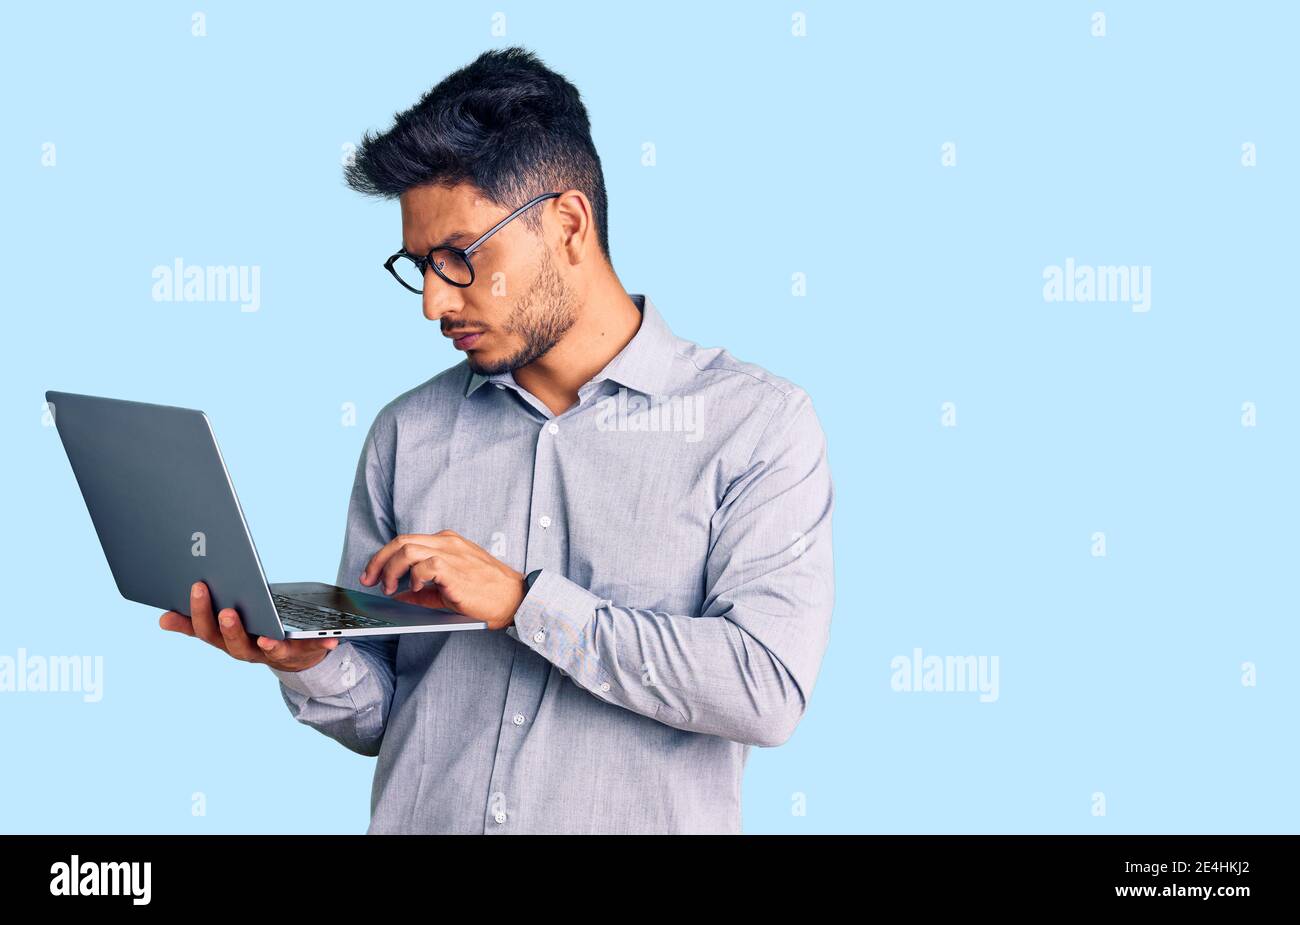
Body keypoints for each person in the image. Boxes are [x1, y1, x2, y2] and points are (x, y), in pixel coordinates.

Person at [160, 46, 834, 834]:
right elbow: (383, 714)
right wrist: (316, 662)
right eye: (420, 266)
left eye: (460, 258)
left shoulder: (755, 426)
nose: (434, 304)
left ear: (568, 224)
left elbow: (765, 688)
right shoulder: (406, 432)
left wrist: (523, 602)